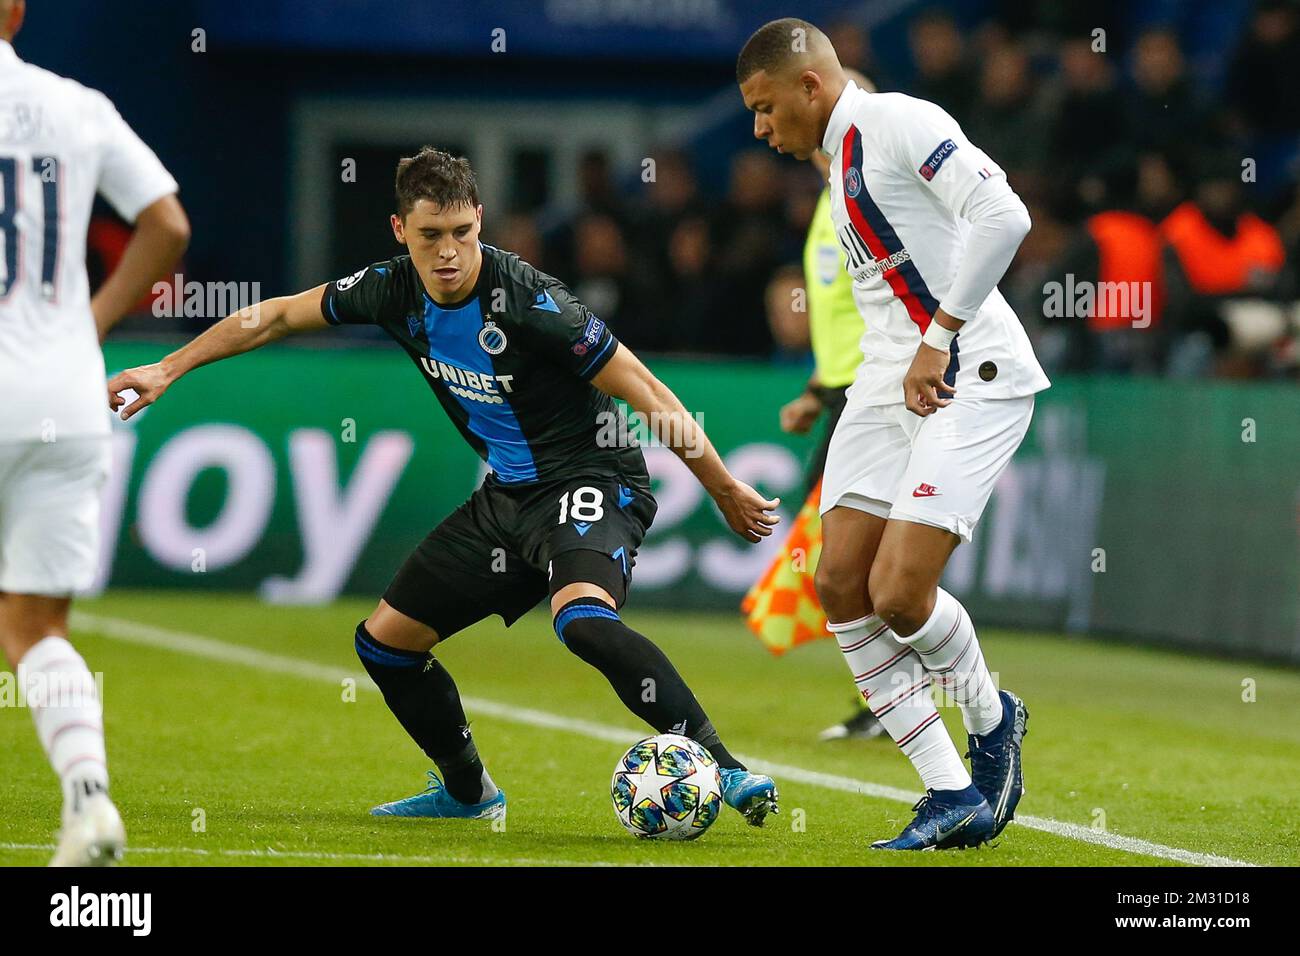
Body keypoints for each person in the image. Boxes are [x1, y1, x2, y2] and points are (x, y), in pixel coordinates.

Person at [107, 147, 782, 827]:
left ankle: (724, 767)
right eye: (431, 235)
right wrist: (168, 367)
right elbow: (279, 316)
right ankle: (468, 793)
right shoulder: (390, 288)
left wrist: (722, 486)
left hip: (592, 479)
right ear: (400, 229)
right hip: (508, 496)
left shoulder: (533, 301)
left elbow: (645, 390)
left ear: (480, 219)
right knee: (385, 644)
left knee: (581, 620)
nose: (450, 252)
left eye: (463, 232)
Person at [737, 18, 1050, 850]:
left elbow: (1005, 216)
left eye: (765, 108)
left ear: (810, 85)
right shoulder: (836, 166)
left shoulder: (898, 121)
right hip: (886, 383)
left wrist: (939, 336)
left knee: (900, 596)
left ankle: (992, 718)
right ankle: (950, 792)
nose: (760, 129)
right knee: (839, 583)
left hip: (968, 372)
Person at [0, 0, 191, 866]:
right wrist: (87, 326)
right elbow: (169, 225)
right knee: (38, 625)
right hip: (61, 394)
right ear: (17, 11)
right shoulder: (77, 105)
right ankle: (88, 799)